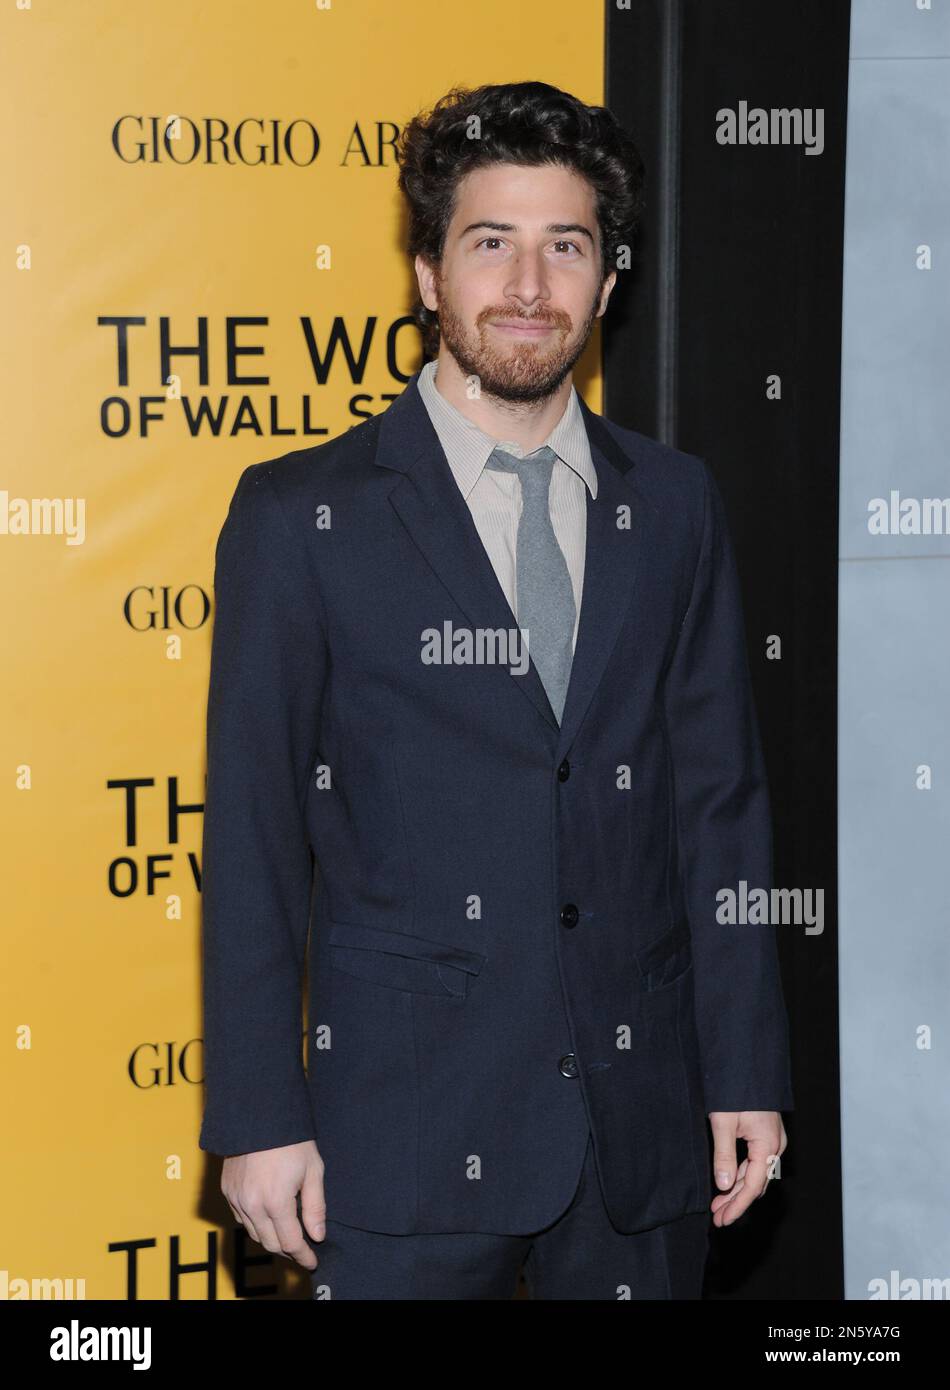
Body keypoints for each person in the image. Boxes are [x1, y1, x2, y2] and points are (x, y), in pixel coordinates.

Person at [198, 80, 793, 1301]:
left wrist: (743, 1070)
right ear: (426, 273)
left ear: (608, 278)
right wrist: (256, 1113)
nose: (528, 285)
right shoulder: (301, 515)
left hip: (640, 1133)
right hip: (394, 1139)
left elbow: (718, 806)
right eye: (489, 243)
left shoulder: (670, 504)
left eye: (564, 246)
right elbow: (253, 834)